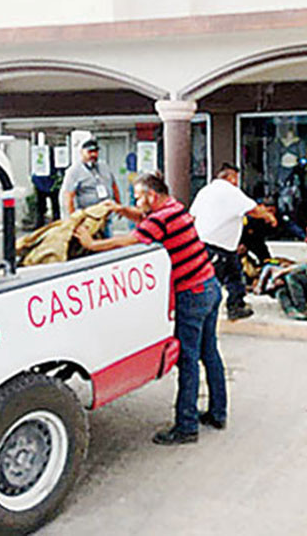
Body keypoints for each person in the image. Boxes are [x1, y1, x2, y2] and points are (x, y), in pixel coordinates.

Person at [73, 173, 226, 446]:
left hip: (192, 294)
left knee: (188, 360)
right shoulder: (174, 207)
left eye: (139, 197)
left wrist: (91, 244)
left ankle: (187, 426)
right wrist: (121, 210)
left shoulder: (159, 219)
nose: (136, 201)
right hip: (210, 285)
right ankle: (217, 413)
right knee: (209, 351)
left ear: (152, 197)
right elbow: (145, 219)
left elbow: (130, 240)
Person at [190, 164, 277, 321]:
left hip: (211, 245)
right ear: (230, 177)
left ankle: (235, 306)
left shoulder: (205, 191)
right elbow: (253, 209)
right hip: (217, 246)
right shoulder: (230, 191)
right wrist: (269, 216)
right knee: (214, 282)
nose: (237, 182)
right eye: (236, 178)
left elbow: (193, 216)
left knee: (235, 276)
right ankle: (205, 312)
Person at [61, 139, 121, 236]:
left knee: (108, 242)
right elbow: (69, 195)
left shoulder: (104, 166)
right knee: (93, 245)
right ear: (81, 152)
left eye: (95, 151)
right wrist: (73, 218)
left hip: (106, 215)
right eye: (90, 152)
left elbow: (114, 186)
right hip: (89, 218)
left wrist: (119, 205)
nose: (93, 154)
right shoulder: (74, 171)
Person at [31, 154, 61, 229]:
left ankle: (42, 223)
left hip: (49, 181)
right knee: (46, 205)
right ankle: (43, 223)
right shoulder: (40, 155)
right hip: (47, 181)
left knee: (52, 205)